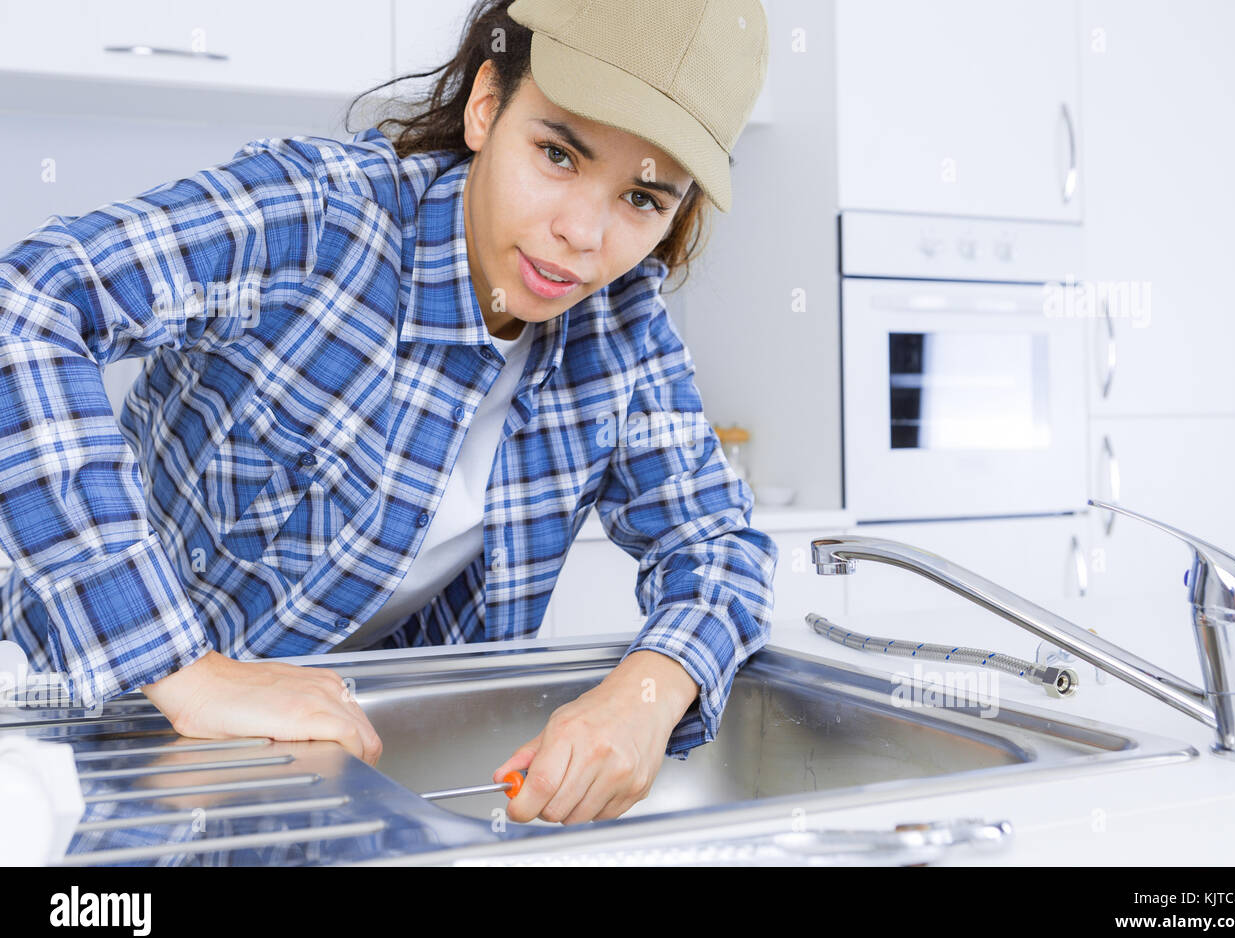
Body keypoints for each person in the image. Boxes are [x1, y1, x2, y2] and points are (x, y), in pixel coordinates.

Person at [0, 0, 775, 826]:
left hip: (347, 785)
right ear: (486, 105)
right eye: (556, 153)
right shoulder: (318, 216)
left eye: (643, 200)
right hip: (96, 746)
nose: (582, 235)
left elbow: (719, 544)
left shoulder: (621, 332)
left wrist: (645, 693)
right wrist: (185, 671)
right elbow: (25, 308)